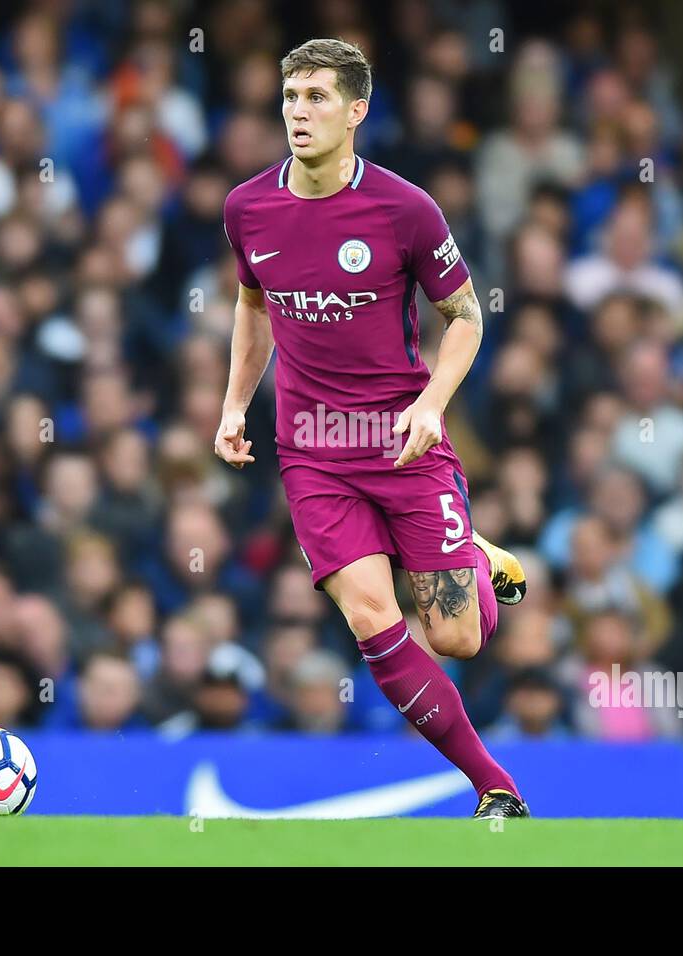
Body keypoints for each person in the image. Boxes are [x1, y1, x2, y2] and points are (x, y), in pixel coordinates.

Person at [214, 38, 529, 819]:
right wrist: (233, 403)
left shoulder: (404, 209)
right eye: (291, 97)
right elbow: (254, 307)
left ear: (357, 111)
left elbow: (465, 318)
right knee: (367, 614)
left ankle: (471, 555)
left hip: (404, 440)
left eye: (318, 98)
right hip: (313, 451)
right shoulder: (247, 208)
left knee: (456, 638)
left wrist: (432, 404)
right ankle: (495, 787)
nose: (298, 111)